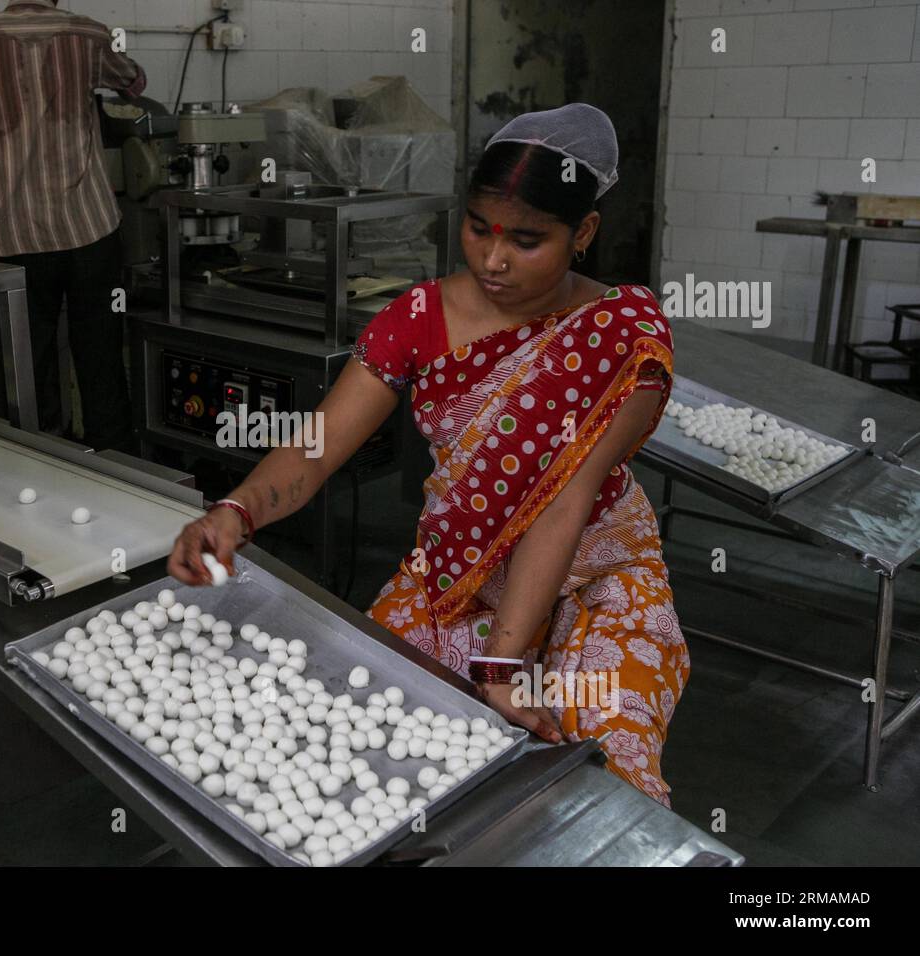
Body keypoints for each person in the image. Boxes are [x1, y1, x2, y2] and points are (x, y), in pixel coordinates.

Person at [166, 104, 689, 807]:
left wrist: (501, 667)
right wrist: (237, 510)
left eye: (527, 240)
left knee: (600, 766)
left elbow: (563, 503)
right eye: (478, 229)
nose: (493, 260)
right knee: (372, 734)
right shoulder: (419, 318)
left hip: (596, 566)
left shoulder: (621, 335)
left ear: (583, 233)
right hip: (460, 571)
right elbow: (318, 449)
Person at [0, 0, 143, 451]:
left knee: (26, 364)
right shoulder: (89, 34)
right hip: (91, 229)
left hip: (18, 236)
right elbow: (135, 84)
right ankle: (121, 474)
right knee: (100, 358)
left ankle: (36, 468)